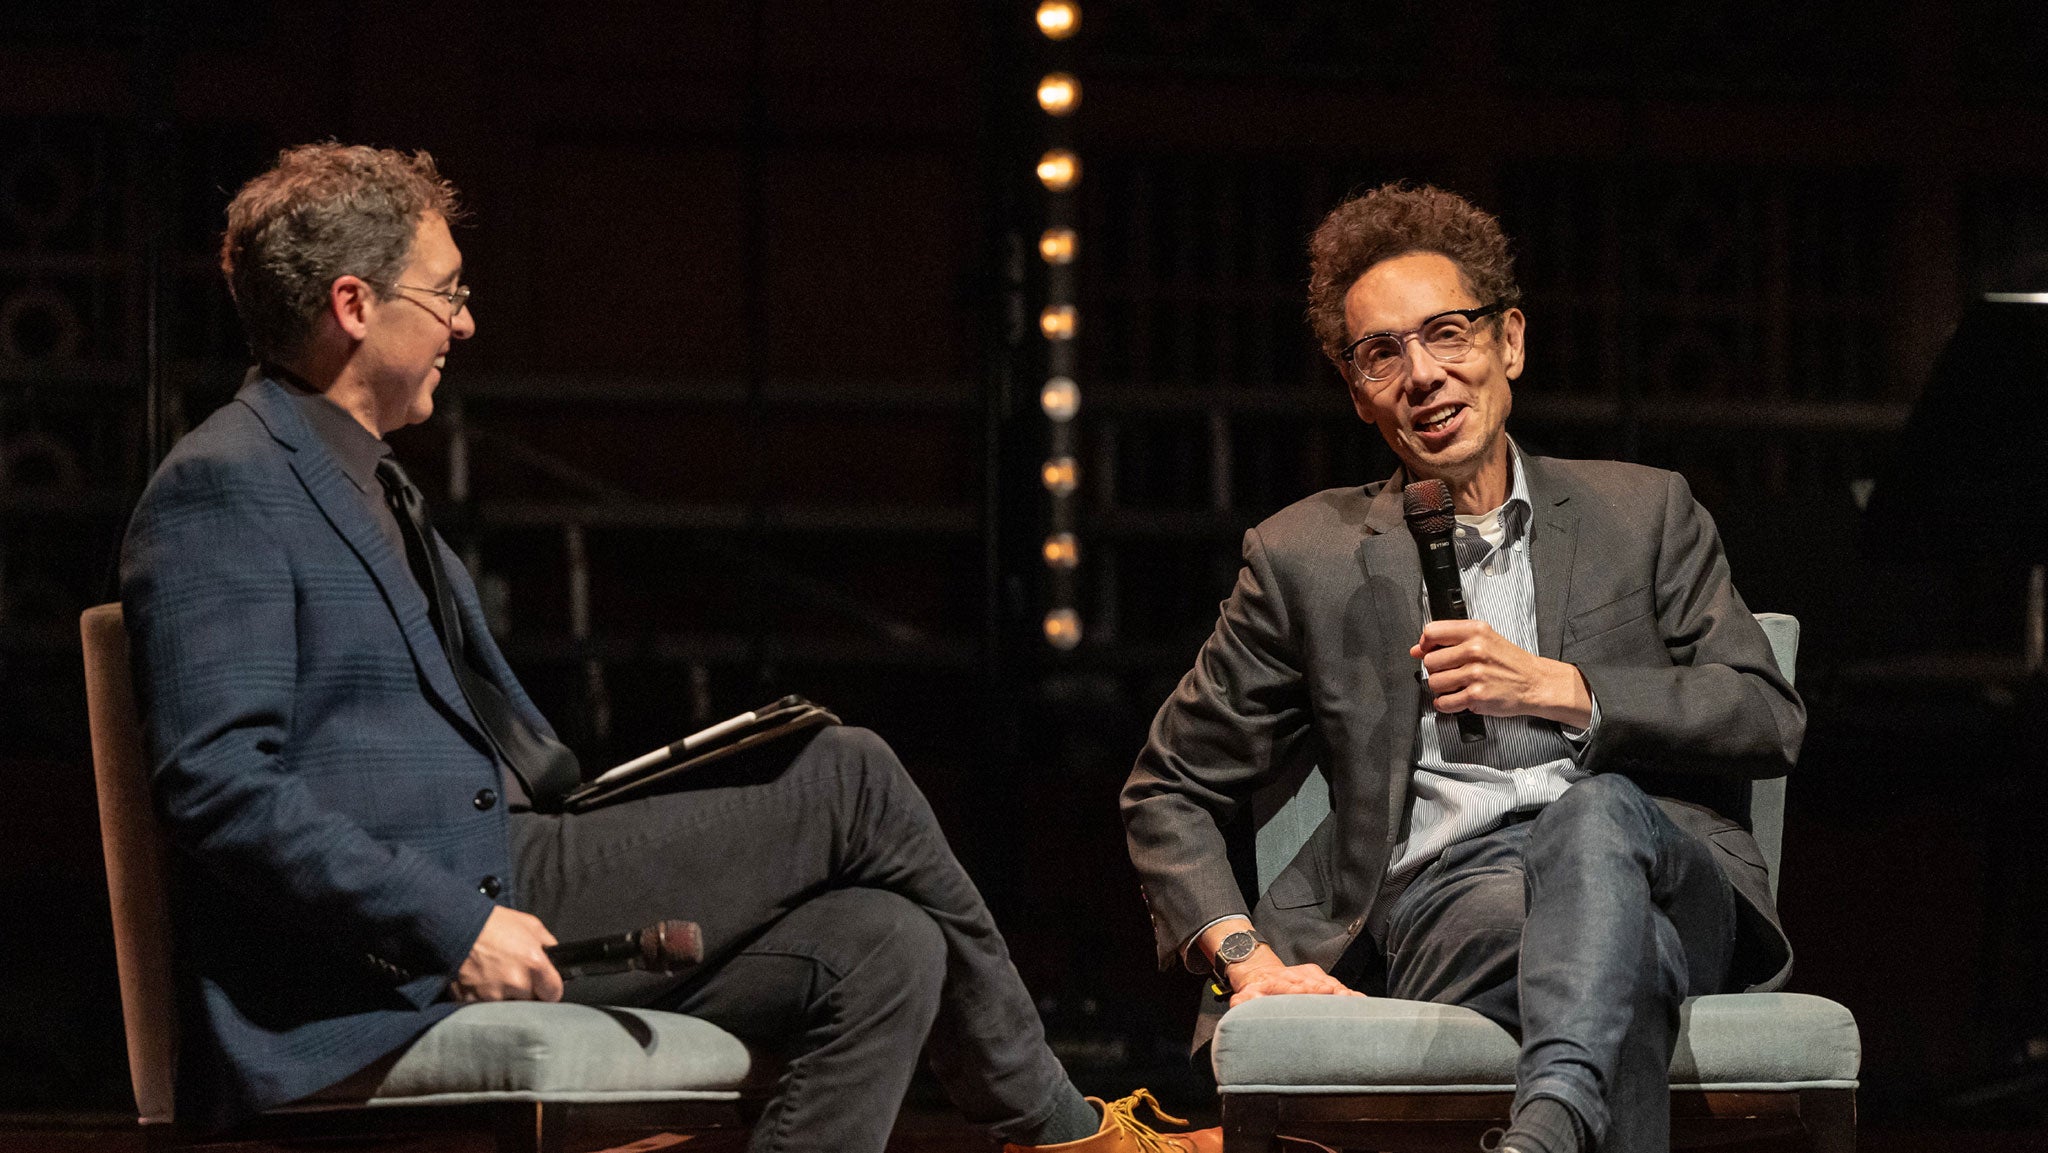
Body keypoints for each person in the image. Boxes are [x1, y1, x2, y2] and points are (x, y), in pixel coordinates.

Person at [121, 142, 1218, 1153]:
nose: (465, 322)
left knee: (883, 941)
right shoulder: (227, 483)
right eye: (446, 292)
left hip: (514, 855)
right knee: (851, 774)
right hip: (407, 941)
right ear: (353, 305)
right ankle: (1062, 1131)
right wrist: (452, 925)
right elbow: (217, 784)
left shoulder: (371, 481)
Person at [1120, 183, 1805, 1153]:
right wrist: (1241, 954)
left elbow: (1764, 712)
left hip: (1662, 866)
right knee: (1631, 957)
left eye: (1447, 333)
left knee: (1596, 814)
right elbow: (1169, 786)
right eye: (1381, 353)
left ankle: (1546, 1126)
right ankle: (1550, 1127)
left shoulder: (1644, 512)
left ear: (1508, 341)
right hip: (1458, 897)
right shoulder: (1305, 557)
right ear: (1356, 390)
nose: (1423, 375)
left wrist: (1562, 689)